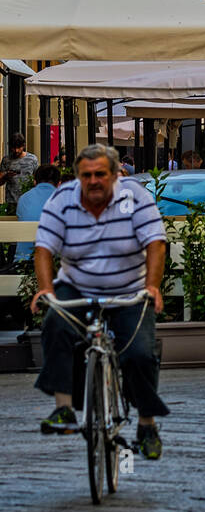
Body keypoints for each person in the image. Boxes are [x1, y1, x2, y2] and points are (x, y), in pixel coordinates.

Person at [30, 143, 168, 458]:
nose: (93, 181)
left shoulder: (135, 198)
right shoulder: (61, 200)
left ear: (115, 175)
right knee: (55, 323)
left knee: (139, 354)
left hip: (129, 289)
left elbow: (156, 244)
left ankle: (146, 424)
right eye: (86, 175)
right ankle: (63, 409)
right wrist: (45, 289)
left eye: (100, 174)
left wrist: (152, 287)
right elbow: (43, 248)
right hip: (77, 286)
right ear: (78, 176)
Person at [14, 163, 60, 263]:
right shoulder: (64, 198)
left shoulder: (23, 199)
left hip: (23, 262)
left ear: (35, 182)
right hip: (54, 264)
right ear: (59, 183)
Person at [0, 132, 38, 208]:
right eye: (14, 148)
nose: (16, 150)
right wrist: (6, 176)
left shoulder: (32, 159)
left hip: (28, 201)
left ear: (23, 146)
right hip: (11, 202)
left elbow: (37, 180)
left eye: (19, 147)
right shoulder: (6, 160)